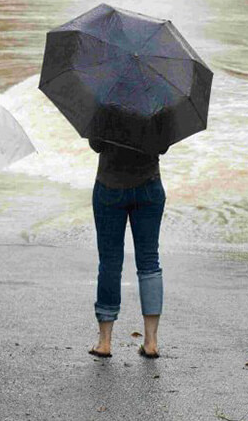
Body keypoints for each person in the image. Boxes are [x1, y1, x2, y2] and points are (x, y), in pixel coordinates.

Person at [87, 139, 167, 359]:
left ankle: (104, 342)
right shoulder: (157, 105)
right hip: (149, 185)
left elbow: (96, 144)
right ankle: (151, 342)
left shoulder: (105, 105)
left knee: (110, 261)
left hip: (109, 186)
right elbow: (162, 145)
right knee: (150, 261)